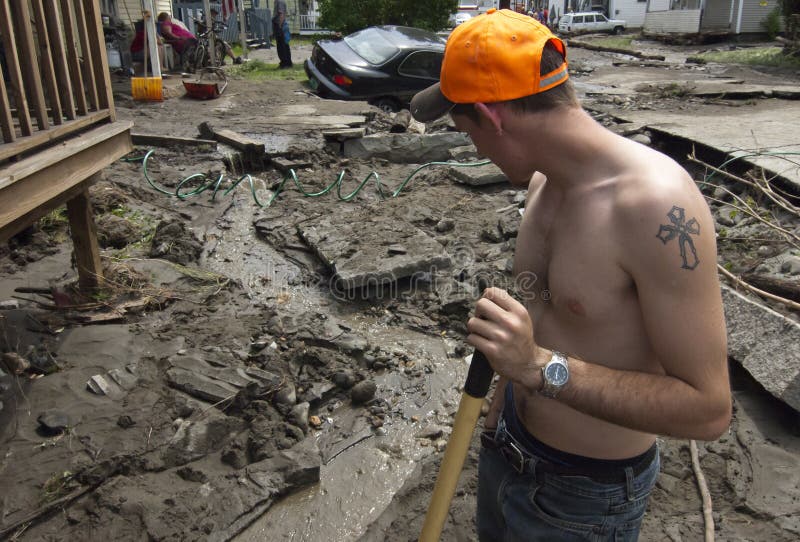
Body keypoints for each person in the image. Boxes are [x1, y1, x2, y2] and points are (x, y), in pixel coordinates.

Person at [410, 9, 731, 541]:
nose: (475, 150)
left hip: (584, 498)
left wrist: (537, 367)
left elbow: (709, 410)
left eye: (466, 132)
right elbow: (541, 310)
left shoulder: (654, 208)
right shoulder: (544, 182)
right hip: (508, 449)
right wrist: (501, 404)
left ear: (491, 116)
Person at [272, 0, 292, 68]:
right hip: (280, 24)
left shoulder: (279, 2)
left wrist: (280, 25)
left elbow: (281, 14)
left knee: (281, 45)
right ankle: (287, 62)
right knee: (284, 45)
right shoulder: (278, 2)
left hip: (280, 25)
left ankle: (285, 63)